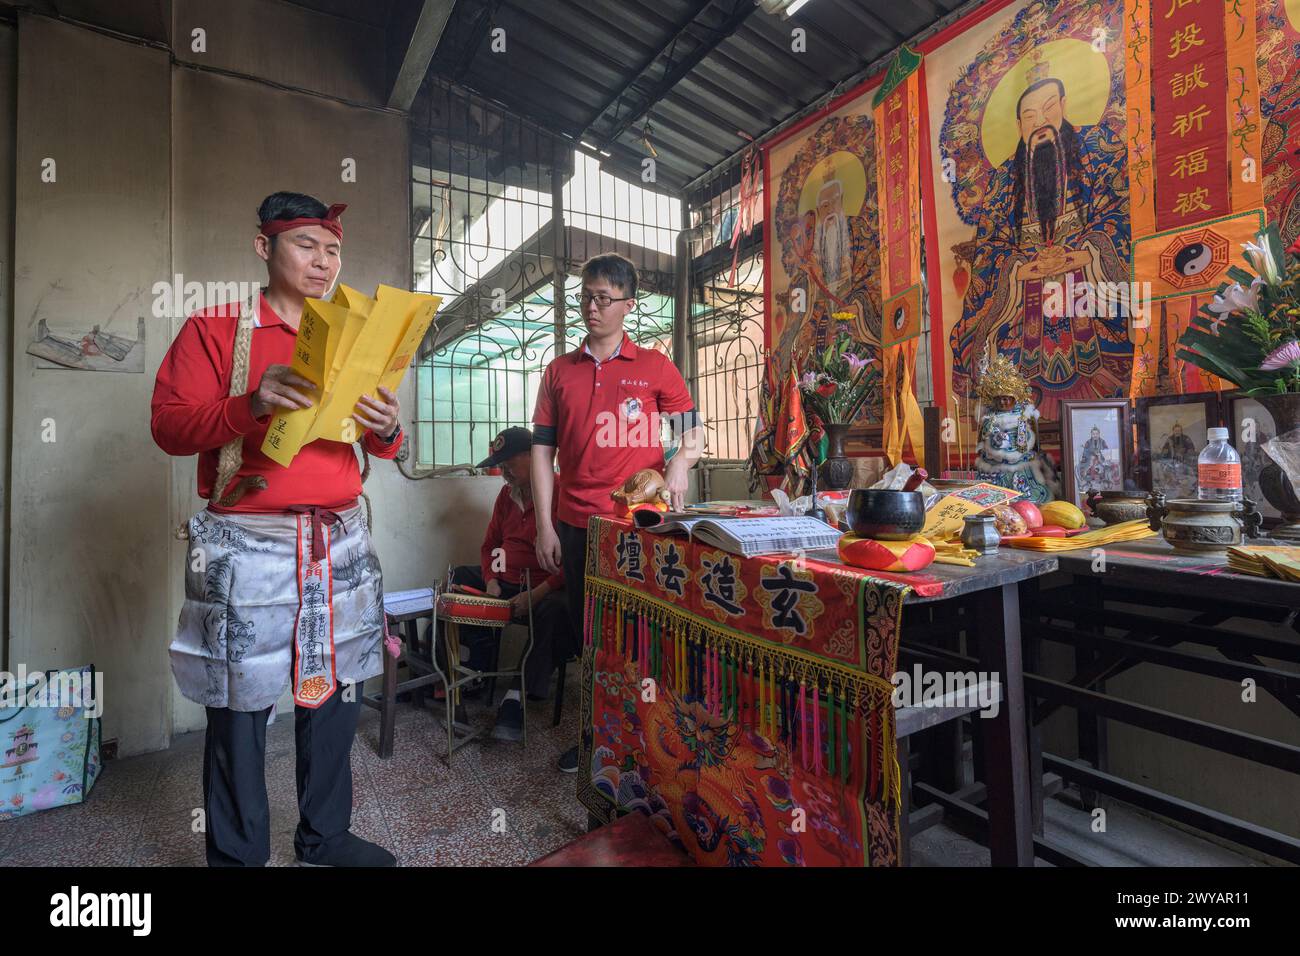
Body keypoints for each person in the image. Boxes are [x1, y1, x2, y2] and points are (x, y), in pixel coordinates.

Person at [151, 191, 402, 867]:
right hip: (247, 543)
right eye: (305, 245)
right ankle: (238, 857)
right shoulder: (216, 328)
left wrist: (389, 429)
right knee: (239, 705)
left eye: (332, 249)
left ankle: (325, 839)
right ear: (265, 248)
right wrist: (249, 403)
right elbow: (168, 427)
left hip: (341, 538)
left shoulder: (351, 335)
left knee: (337, 693)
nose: (323, 262)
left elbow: (379, 444)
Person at [531, 253, 704, 773]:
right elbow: (542, 451)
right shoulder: (559, 371)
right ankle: (598, 737)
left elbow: (692, 431)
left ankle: (650, 736)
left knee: (641, 632)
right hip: (578, 523)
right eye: (586, 295)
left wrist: (677, 465)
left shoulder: (654, 365)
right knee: (593, 634)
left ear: (629, 305)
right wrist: (544, 524)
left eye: (604, 298)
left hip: (640, 528)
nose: (592, 306)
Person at [446, 427, 574, 742]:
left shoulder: (562, 493)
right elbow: (490, 545)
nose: (503, 472)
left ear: (534, 458)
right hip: (508, 582)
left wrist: (536, 594)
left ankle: (515, 698)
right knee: (460, 578)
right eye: (500, 465)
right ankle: (472, 671)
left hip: (545, 588)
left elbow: (573, 560)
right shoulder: (507, 496)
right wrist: (490, 581)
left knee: (555, 609)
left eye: (508, 464)